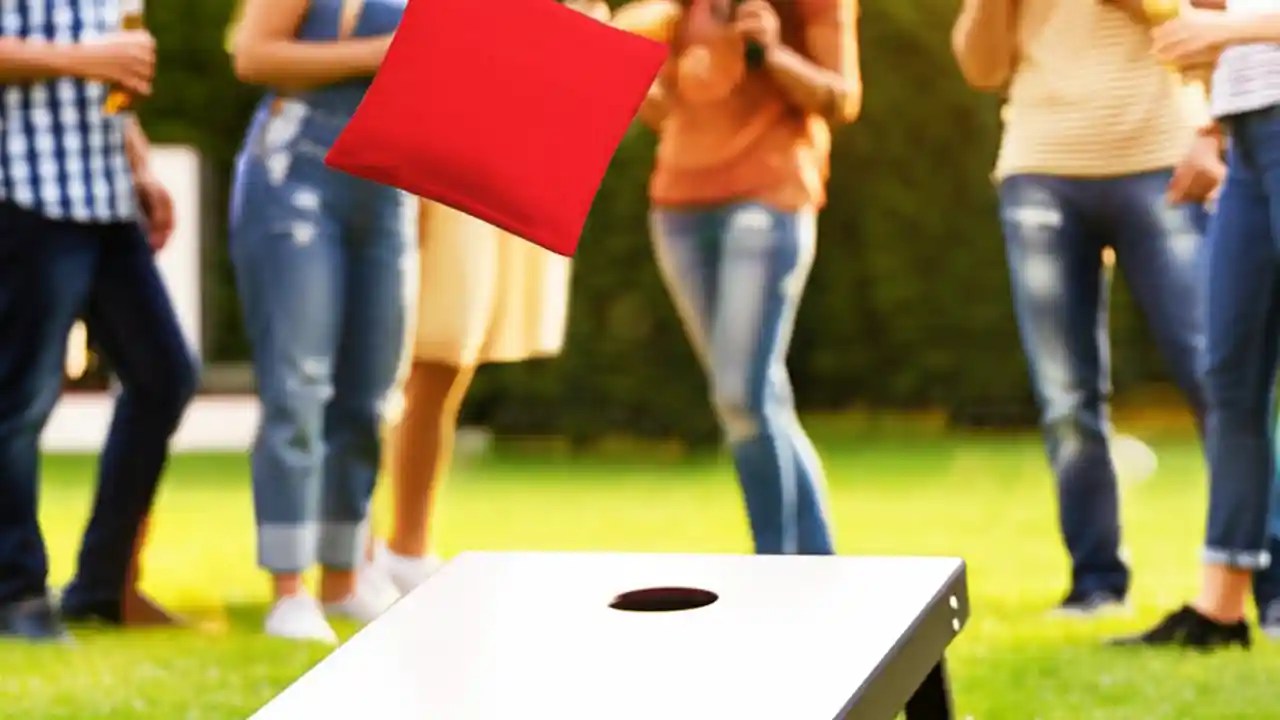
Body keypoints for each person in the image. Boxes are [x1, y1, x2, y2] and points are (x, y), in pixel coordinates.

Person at [951, 0, 1225, 615]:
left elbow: (1209, 29)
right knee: (1067, 399)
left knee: (1217, 377)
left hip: (1161, 160)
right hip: (1041, 166)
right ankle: (1096, 585)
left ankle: (1270, 579)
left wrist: (1213, 134)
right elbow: (981, 68)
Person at [368, 0, 604, 594]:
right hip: (440, 147)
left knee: (448, 364)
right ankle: (356, 550)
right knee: (410, 359)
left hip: (504, 149)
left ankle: (406, 544)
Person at [633, 0, 861, 556]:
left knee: (742, 395)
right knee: (759, 396)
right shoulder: (673, 10)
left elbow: (843, 98)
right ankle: (816, 568)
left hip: (768, 200)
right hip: (679, 208)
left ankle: (774, 565)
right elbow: (667, 109)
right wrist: (638, 81)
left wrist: (774, 53)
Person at [0, 0, 198, 641]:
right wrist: (79, 59)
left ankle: (101, 586)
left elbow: (117, 74)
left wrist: (138, 164)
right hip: (23, 194)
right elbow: (94, 57)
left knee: (164, 375)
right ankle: (14, 595)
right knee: (19, 401)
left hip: (104, 194)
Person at [228, 0, 413, 643]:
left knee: (370, 396)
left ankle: (343, 580)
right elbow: (253, 55)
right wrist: (376, 55)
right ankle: (288, 590)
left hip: (389, 187)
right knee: (299, 388)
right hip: (296, 174)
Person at [1118, 0, 1280, 648]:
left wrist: (1224, 29)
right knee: (1230, 375)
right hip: (1245, 137)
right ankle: (1220, 609)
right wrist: (1212, 125)